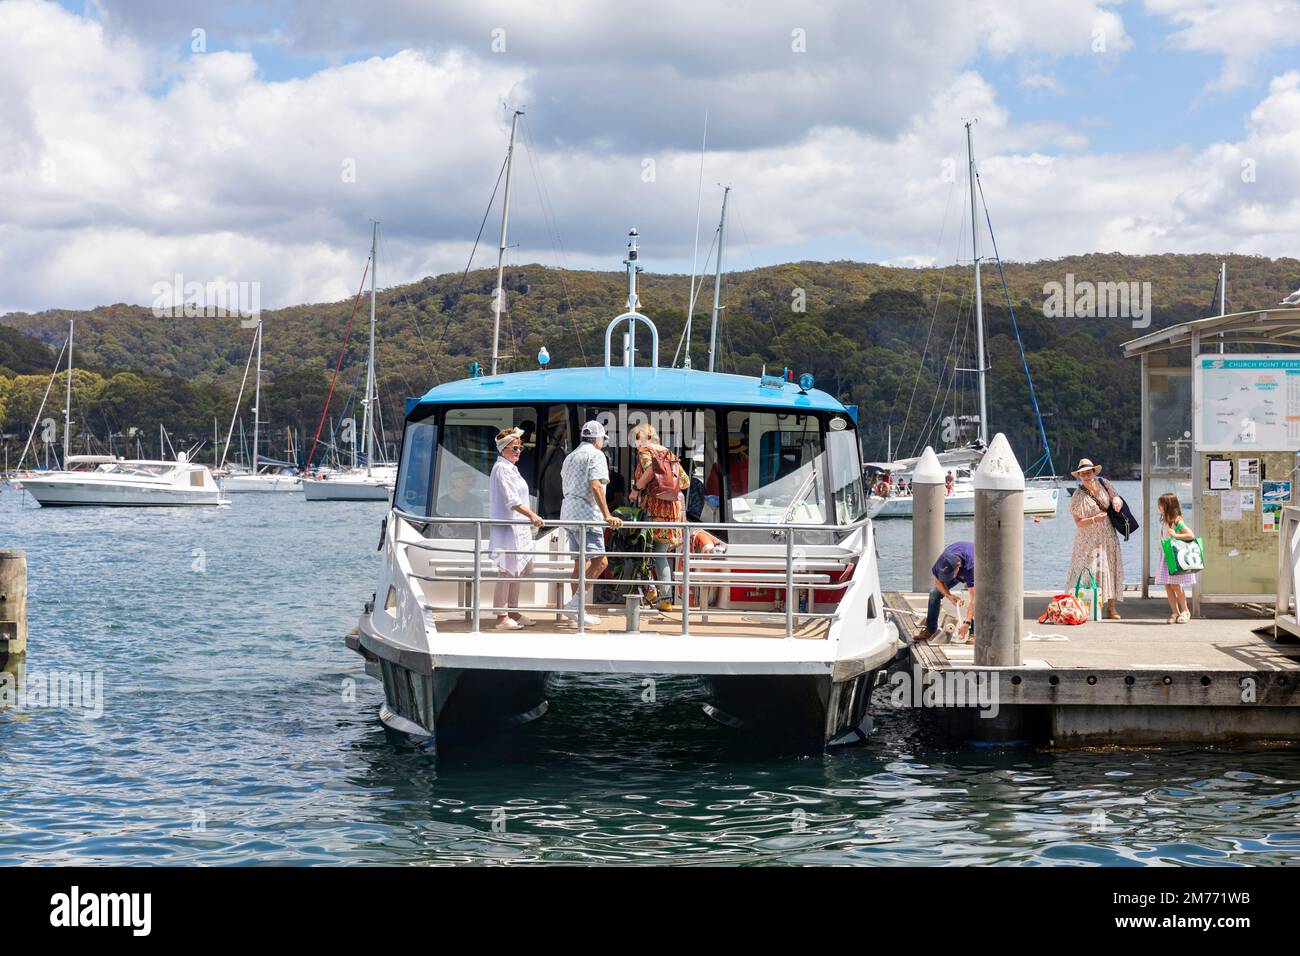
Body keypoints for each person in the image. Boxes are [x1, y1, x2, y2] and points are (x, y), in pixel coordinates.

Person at [559, 420, 623, 626]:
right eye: (602, 439)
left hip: (568, 513)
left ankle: (578, 611)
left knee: (580, 563)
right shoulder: (596, 455)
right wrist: (607, 515)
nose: (603, 443)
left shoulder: (570, 456)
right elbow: (595, 486)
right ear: (597, 439)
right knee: (600, 562)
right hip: (587, 516)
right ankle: (575, 605)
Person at [488, 428, 544, 630]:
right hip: (506, 530)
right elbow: (512, 500)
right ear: (504, 449)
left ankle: (512, 611)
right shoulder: (502, 469)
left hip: (516, 529)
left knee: (516, 572)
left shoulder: (510, 467)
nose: (519, 451)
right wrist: (532, 515)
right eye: (515, 447)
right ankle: (501, 617)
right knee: (506, 572)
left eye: (520, 447)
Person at [630, 423, 689, 613]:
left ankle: (653, 591)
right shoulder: (670, 454)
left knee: (643, 550)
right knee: (660, 554)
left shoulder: (645, 451)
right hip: (671, 510)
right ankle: (664, 599)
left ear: (642, 438)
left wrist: (636, 489)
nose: (635, 444)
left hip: (653, 507)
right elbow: (685, 482)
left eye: (636, 439)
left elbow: (649, 471)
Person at [1066, 458, 1125, 620]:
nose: (1086, 475)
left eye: (1089, 472)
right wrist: (1093, 520)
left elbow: (1115, 496)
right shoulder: (1078, 496)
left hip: (1107, 534)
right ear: (1079, 476)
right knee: (1089, 570)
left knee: (1110, 568)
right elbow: (1078, 523)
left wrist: (1116, 500)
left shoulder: (1104, 483)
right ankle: (1087, 606)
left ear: (1094, 472)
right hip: (1088, 538)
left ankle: (1111, 608)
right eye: (1083, 473)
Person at [915, 540, 975, 643]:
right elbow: (938, 581)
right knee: (934, 593)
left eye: (950, 576)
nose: (947, 579)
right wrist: (949, 596)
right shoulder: (942, 561)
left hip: (981, 565)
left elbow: (975, 599)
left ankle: (973, 632)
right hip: (959, 567)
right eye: (945, 576)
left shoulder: (971, 567)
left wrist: (966, 622)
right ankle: (930, 629)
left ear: (958, 566)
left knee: (983, 597)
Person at [1156, 492, 1196, 624]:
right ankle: (1175, 612)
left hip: (1174, 556)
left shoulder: (1177, 520)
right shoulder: (1164, 520)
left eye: (1161, 504)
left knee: (1175, 585)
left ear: (1167, 506)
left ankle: (1185, 611)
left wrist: (1176, 535)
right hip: (1166, 555)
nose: (1159, 507)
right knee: (1168, 585)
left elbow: (1191, 535)